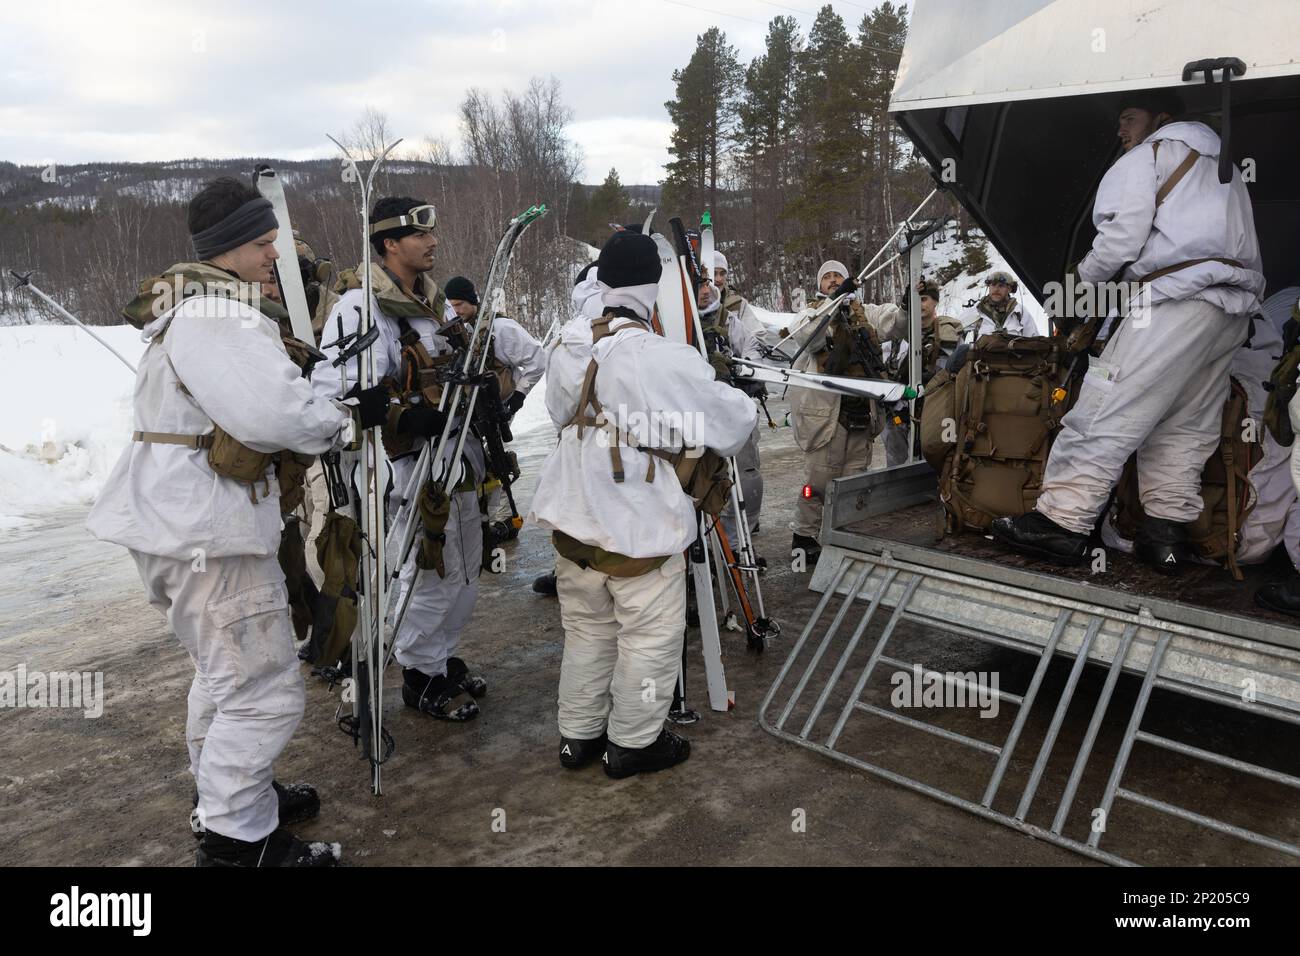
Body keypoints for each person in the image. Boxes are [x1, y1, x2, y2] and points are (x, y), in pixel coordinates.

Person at [89, 177, 389, 867]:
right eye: (261, 242)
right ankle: (236, 841)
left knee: (224, 676)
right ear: (226, 250)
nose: (273, 252)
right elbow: (276, 415)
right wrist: (343, 416)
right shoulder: (217, 318)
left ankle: (230, 795)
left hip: (180, 526)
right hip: (209, 533)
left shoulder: (195, 312)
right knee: (262, 687)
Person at [992, 91, 1265, 573]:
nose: (1121, 130)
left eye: (1129, 118)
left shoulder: (1148, 155)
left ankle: (1061, 521)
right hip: (1229, 309)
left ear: (1161, 118)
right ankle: (1164, 533)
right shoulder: (1222, 166)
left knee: (1105, 407)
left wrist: (1083, 280)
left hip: (1173, 302)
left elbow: (1121, 236)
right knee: (1187, 422)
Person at [528, 231, 756, 777]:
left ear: (603, 280)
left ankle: (578, 737)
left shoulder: (569, 342)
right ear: (656, 286)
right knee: (649, 636)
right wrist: (735, 392)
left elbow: (562, 413)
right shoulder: (660, 356)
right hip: (636, 526)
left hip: (573, 517)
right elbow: (728, 426)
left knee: (587, 630)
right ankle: (632, 743)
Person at [317, 196, 490, 721]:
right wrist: (401, 416)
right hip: (407, 470)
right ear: (389, 243)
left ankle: (436, 659)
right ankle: (419, 676)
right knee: (429, 575)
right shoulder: (361, 307)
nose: (432, 241)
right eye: (419, 235)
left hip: (455, 460)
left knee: (464, 573)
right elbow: (332, 391)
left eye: (432, 232)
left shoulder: (432, 303)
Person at [782, 260, 887, 566]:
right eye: (826, 277)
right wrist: (833, 301)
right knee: (817, 482)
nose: (831, 279)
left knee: (854, 480)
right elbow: (804, 336)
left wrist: (911, 305)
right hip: (826, 415)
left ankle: (846, 535)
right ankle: (804, 538)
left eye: (837, 276)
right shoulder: (813, 313)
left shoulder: (865, 313)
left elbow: (897, 321)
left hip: (861, 412)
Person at [442, 274, 545, 544]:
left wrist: (518, 397)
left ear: (474, 302)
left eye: (461, 304)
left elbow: (536, 359)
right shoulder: (454, 331)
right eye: (451, 306)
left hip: (495, 409)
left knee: (493, 461)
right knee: (473, 465)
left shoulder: (501, 329)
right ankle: (480, 518)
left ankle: (499, 518)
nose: (457, 311)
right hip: (466, 412)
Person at [697, 251, 765, 544]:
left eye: (712, 280)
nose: (708, 287)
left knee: (747, 478)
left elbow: (753, 343)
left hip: (733, 409)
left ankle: (739, 542)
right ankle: (707, 548)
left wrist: (748, 374)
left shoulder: (731, 315)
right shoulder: (677, 318)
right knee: (704, 481)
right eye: (701, 281)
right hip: (698, 417)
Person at [880, 279, 962, 467]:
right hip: (898, 414)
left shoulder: (950, 334)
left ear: (935, 302)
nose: (920, 304)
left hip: (935, 413)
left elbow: (957, 374)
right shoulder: (897, 332)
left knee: (936, 467)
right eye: (916, 299)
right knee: (897, 469)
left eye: (924, 299)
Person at [957, 270, 1029, 343]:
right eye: (993, 285)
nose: (996, 289)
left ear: (1009, 289)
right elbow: (955, 333)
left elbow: (1034, 341)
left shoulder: (1020, 312)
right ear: (989, 287)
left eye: (1001, 286)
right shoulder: (976, 311)